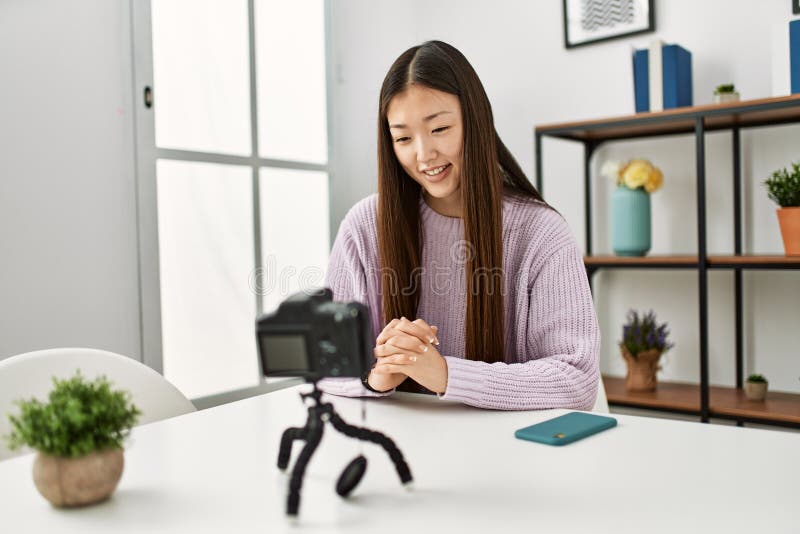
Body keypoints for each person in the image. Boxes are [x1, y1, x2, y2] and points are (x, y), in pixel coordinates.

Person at [320, 40, 599, 410]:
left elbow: (576, 379)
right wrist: (375, 376)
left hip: (509, 452)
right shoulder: (363, 226)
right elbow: (323, 363)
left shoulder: (540, 232)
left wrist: (447, 375)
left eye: (439, 129)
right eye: (403, 138)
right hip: (399, 446)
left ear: (475, 120)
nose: (423, 154)